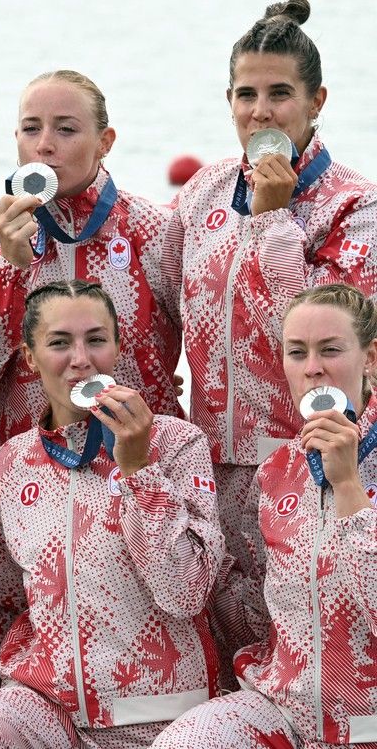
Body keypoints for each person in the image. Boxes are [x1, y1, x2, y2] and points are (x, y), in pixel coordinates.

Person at [0, 281, 224, 749]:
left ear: (118, 348)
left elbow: (185, 592)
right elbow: (5, 597)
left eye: (96, 339)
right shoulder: (8, 463)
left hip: (161, 711)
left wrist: (139, 469)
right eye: (59, 342)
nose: (81, 359)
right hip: (50, 707)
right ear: (30, 358)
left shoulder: (176, 442)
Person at [169, 0, 377, 634]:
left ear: (317, 101)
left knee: (304, 636)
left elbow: (317, 334)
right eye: (246, 94)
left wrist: (272, 219)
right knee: (221, 631)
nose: (261, 111)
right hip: (210, 463)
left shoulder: (355, 206)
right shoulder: (201, 193)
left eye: (280, 94)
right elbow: (158, 308)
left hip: (310, 461)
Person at [152, 283, 377, 747]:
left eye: (330, 350)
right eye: (297, 352)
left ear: (370, 358)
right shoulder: (277, 470)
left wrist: (349, 489)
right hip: (285, 711)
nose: (312, 368)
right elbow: (258, 608)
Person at [0, 69, 183, 465]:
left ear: (105, 142)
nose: (44, 145)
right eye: (31, 129)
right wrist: (10, 267)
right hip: (26, 470)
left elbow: (208, 354)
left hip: (140, 459)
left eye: (66, 129)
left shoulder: (154, 228)